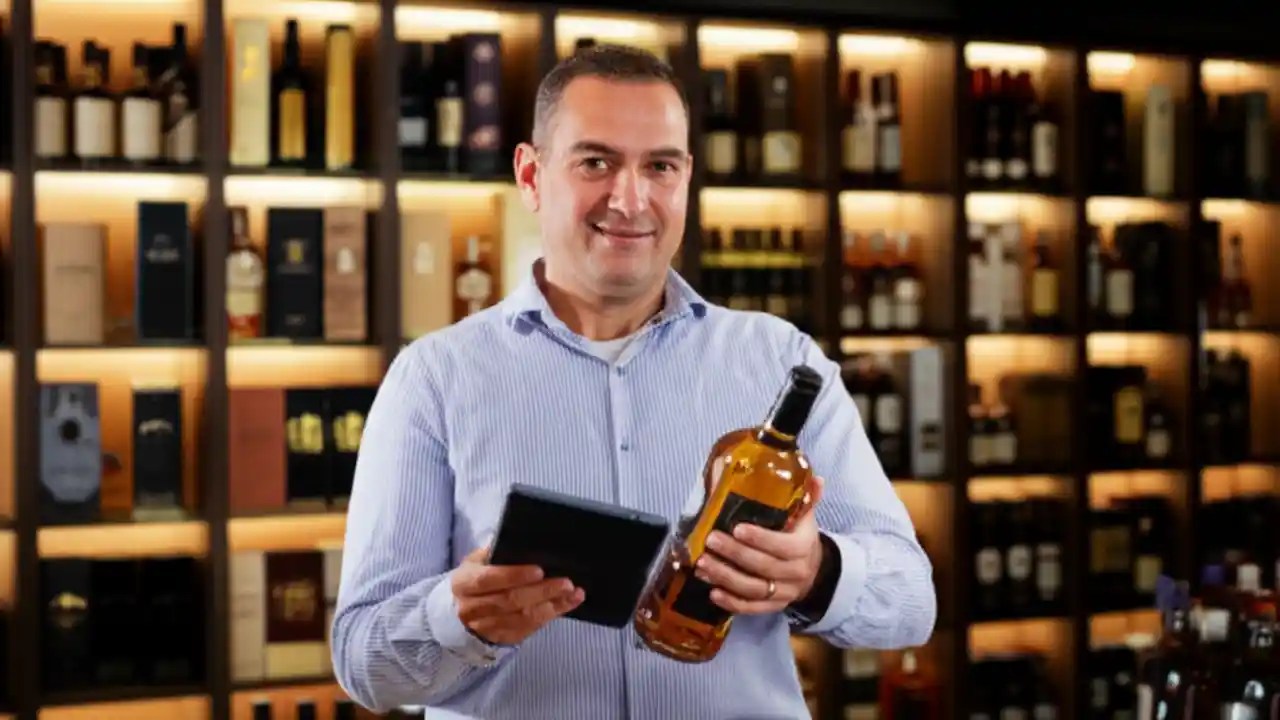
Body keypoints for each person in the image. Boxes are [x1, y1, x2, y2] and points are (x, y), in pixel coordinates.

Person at [331, 44, 935, 719]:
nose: (631, 197)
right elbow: (362, 662)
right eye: (596, 162)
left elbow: (912, 602)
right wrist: (455, 617)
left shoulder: (779, 361)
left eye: (660, 167)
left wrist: (816, 571)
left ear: (685, 180)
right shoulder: (433, 379)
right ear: (531, 176)